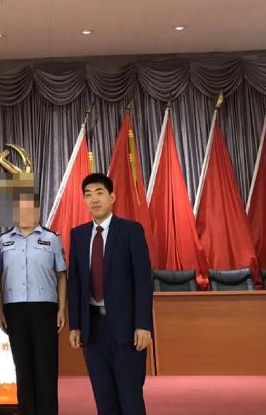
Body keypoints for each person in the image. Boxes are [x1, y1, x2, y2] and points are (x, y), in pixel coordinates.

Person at [67, 173, 153, 415]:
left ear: (112, 197)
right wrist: (75, 325)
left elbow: (143, 281)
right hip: (93, 329)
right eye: (88, 194)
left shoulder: (130, 231)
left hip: (127, 329)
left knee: (130, 398)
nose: (94, 199)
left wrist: (144, 325)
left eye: (99, 193)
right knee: (104, 399)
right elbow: (75, 282)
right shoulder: (78, 235)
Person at [0, 191, 67, 415]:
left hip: (45, 309)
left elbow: (61, 275)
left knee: (46, 367)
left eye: (29, 208)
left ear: (37, 210)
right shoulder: (3, 241)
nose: (24, 213)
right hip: (14, 310)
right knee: (23, 367)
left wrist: (61, 309)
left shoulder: (52, 239)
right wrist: (0, 310)